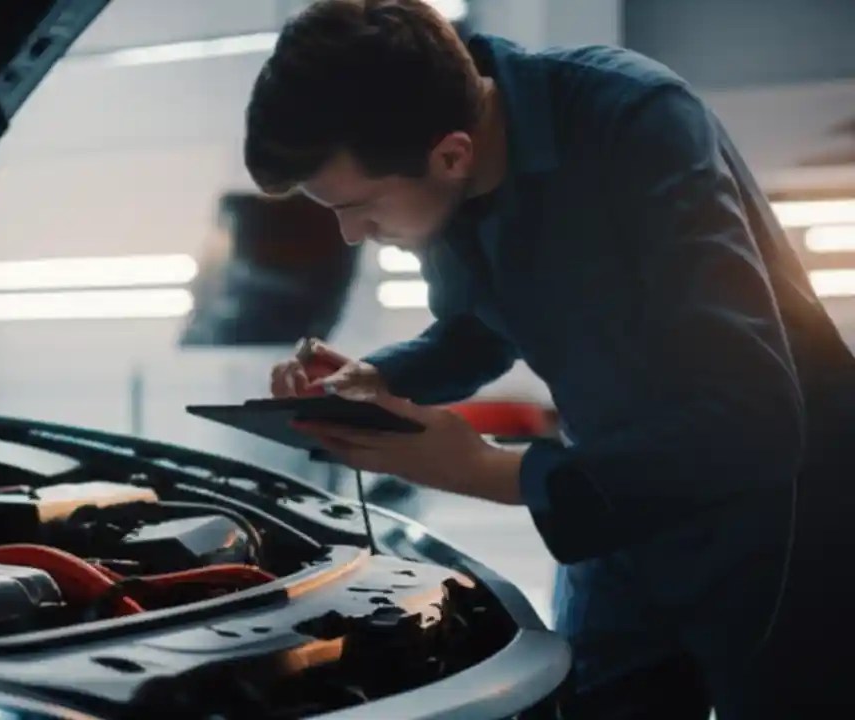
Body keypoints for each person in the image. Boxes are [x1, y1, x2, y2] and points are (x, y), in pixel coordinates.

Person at [245, 1, 855, 717]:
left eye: (360, 206)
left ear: (452, 155)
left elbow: (756, 417)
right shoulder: (440, 162)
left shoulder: (636, 121)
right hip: (611, 501)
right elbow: (480, 328)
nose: (351, 235)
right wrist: (379, 377)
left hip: (775, 513)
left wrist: (488, 471)